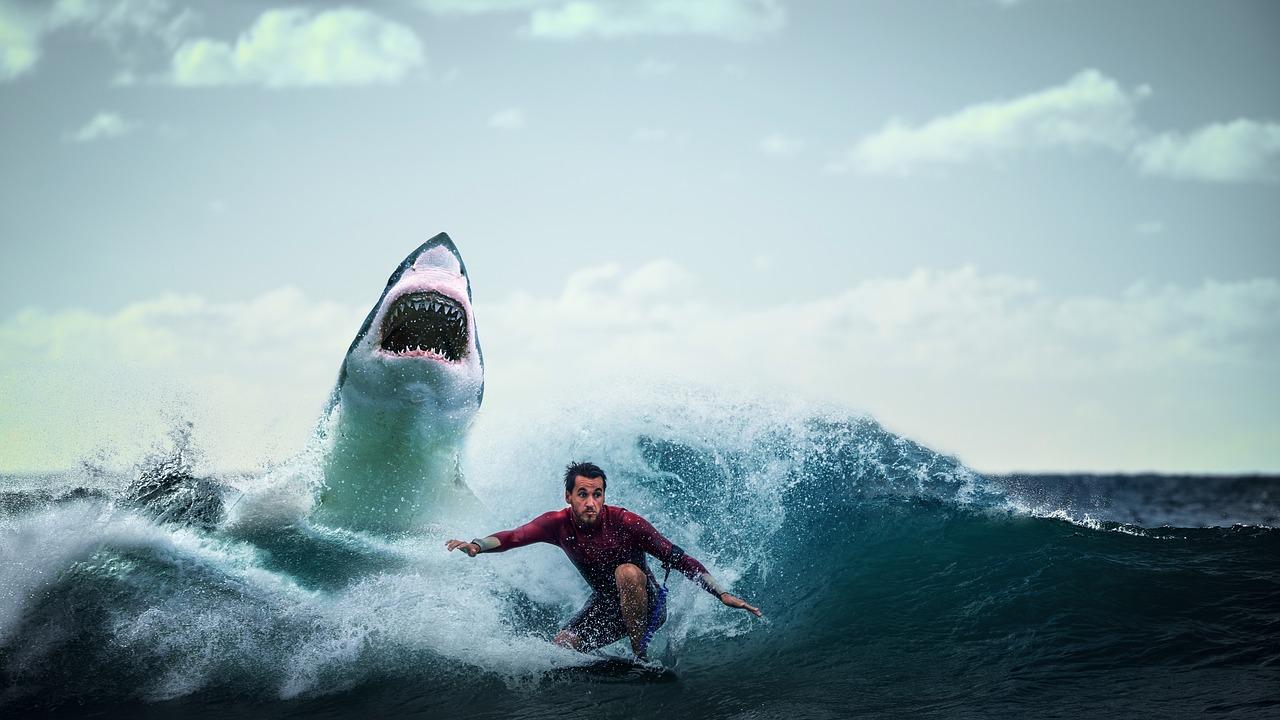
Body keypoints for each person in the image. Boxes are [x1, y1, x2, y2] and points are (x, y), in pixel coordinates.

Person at [446, 461, 762, 659]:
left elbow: (677, 558)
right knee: (561, 647)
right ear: (568, 496)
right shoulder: (556, 525)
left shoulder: (627, 523)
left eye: (597, 494)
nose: (591, 502)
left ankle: (640, 656)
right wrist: (477, 545)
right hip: (607, 605)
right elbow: (515, 536)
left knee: (627, 572)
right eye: (583, 494)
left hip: (649, 606)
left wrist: (721, 593)